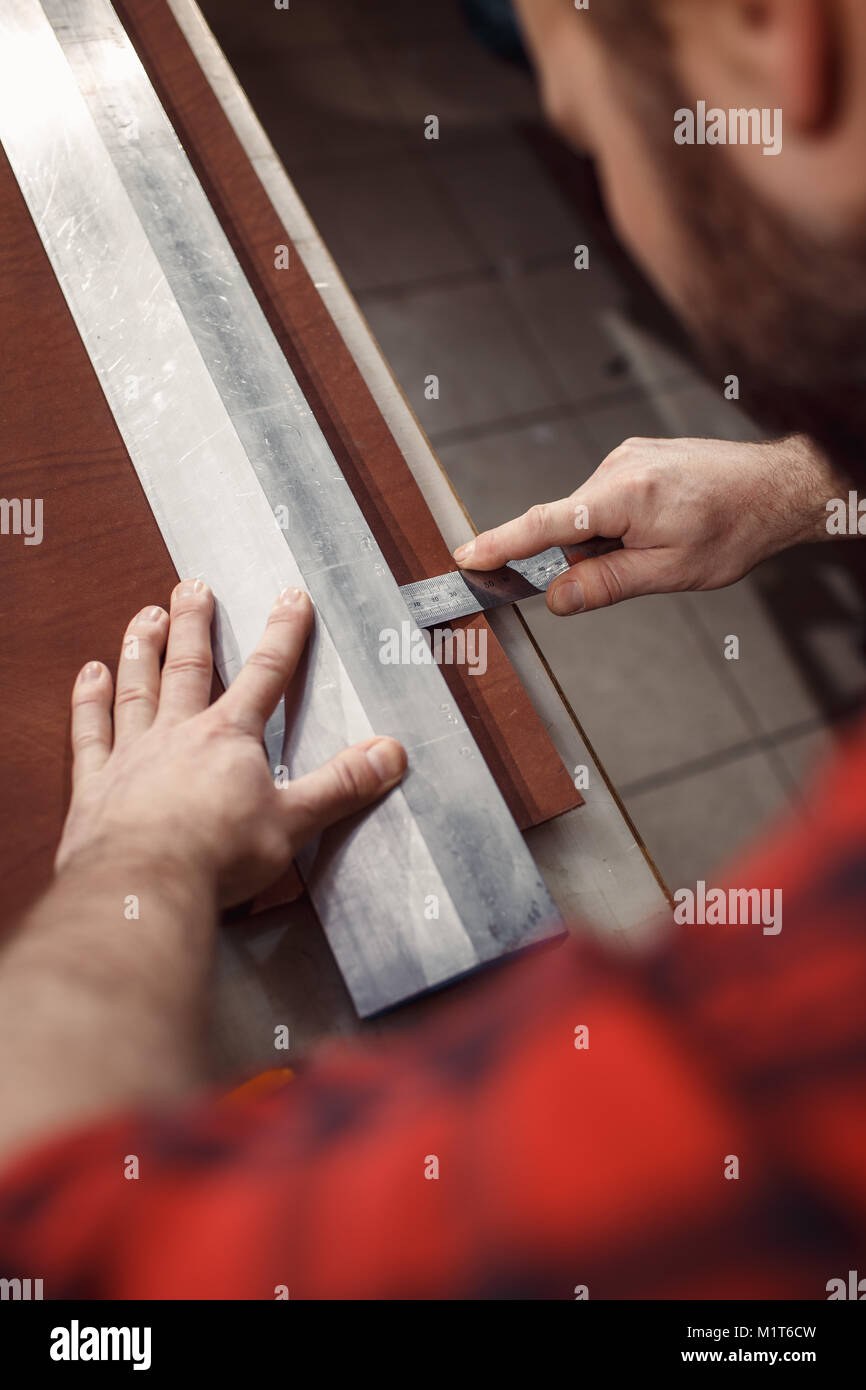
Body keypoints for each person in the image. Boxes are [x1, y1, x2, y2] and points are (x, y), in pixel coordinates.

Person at [0, 0, 864, 1299]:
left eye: (576, 117)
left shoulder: (769, 1067)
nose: (613, 186)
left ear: (768, 37)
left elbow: (59, 1252)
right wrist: (803, 485)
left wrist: (144, 848)